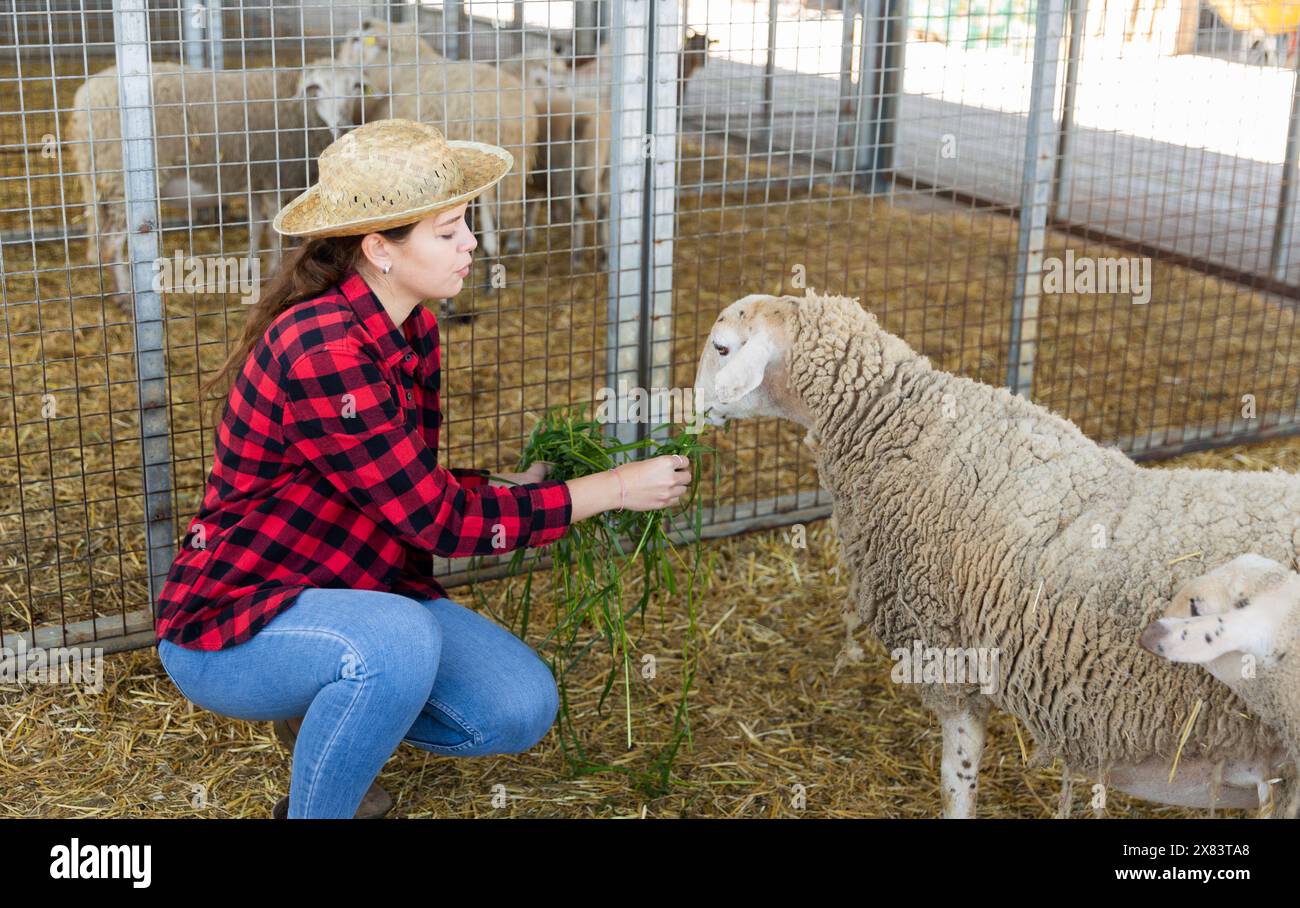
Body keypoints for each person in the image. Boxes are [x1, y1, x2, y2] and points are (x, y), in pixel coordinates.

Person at [153, 118, 692, 819]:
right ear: (379, 249)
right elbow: (435, 522)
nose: (472, 244)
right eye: (448, 232)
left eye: (465, 225)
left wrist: (505, 489)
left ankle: (334, 709)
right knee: (398, 643)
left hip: (360, 583)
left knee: (519, 708)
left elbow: (406, 485)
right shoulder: (326, 353)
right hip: (239, 622)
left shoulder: (411, 324)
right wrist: (613, 488)